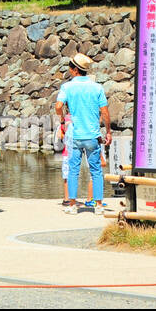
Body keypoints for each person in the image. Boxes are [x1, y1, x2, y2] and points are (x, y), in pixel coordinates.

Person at [56, 53, 110, 213]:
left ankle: (72, 204)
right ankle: (98, 205)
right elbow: (105, 112)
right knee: (96, 171)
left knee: (73, 170)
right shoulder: (97, 87)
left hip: (75, 135)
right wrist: (108, 132)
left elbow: (59, 106)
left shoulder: (67, 87)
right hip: (93, 134)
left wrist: (61, 118)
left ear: (74, 70)